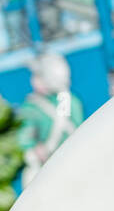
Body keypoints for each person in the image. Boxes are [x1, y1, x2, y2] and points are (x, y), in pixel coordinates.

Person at [17, 52, 84, 184]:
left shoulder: (32, 108)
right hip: (77, 165)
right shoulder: (72, 101)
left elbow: (23, 142)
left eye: (36, 76)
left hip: (49, 174)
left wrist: (35, 150)